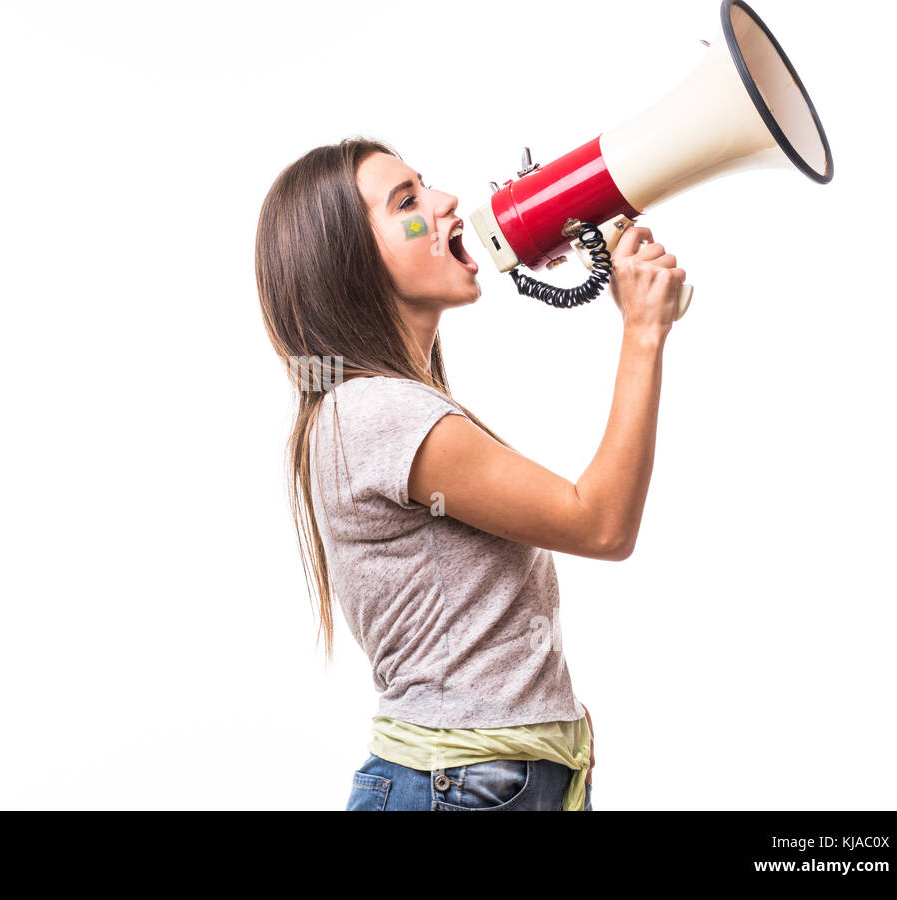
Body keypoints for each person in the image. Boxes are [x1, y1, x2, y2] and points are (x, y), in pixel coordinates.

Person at [253, 137, 684, 811]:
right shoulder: (375, 412)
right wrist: (644, 333)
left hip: (487, 783)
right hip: (462, 787)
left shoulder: (377, 406)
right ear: (349, 262)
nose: (446, 201)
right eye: (408, 203)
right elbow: (601, 524)